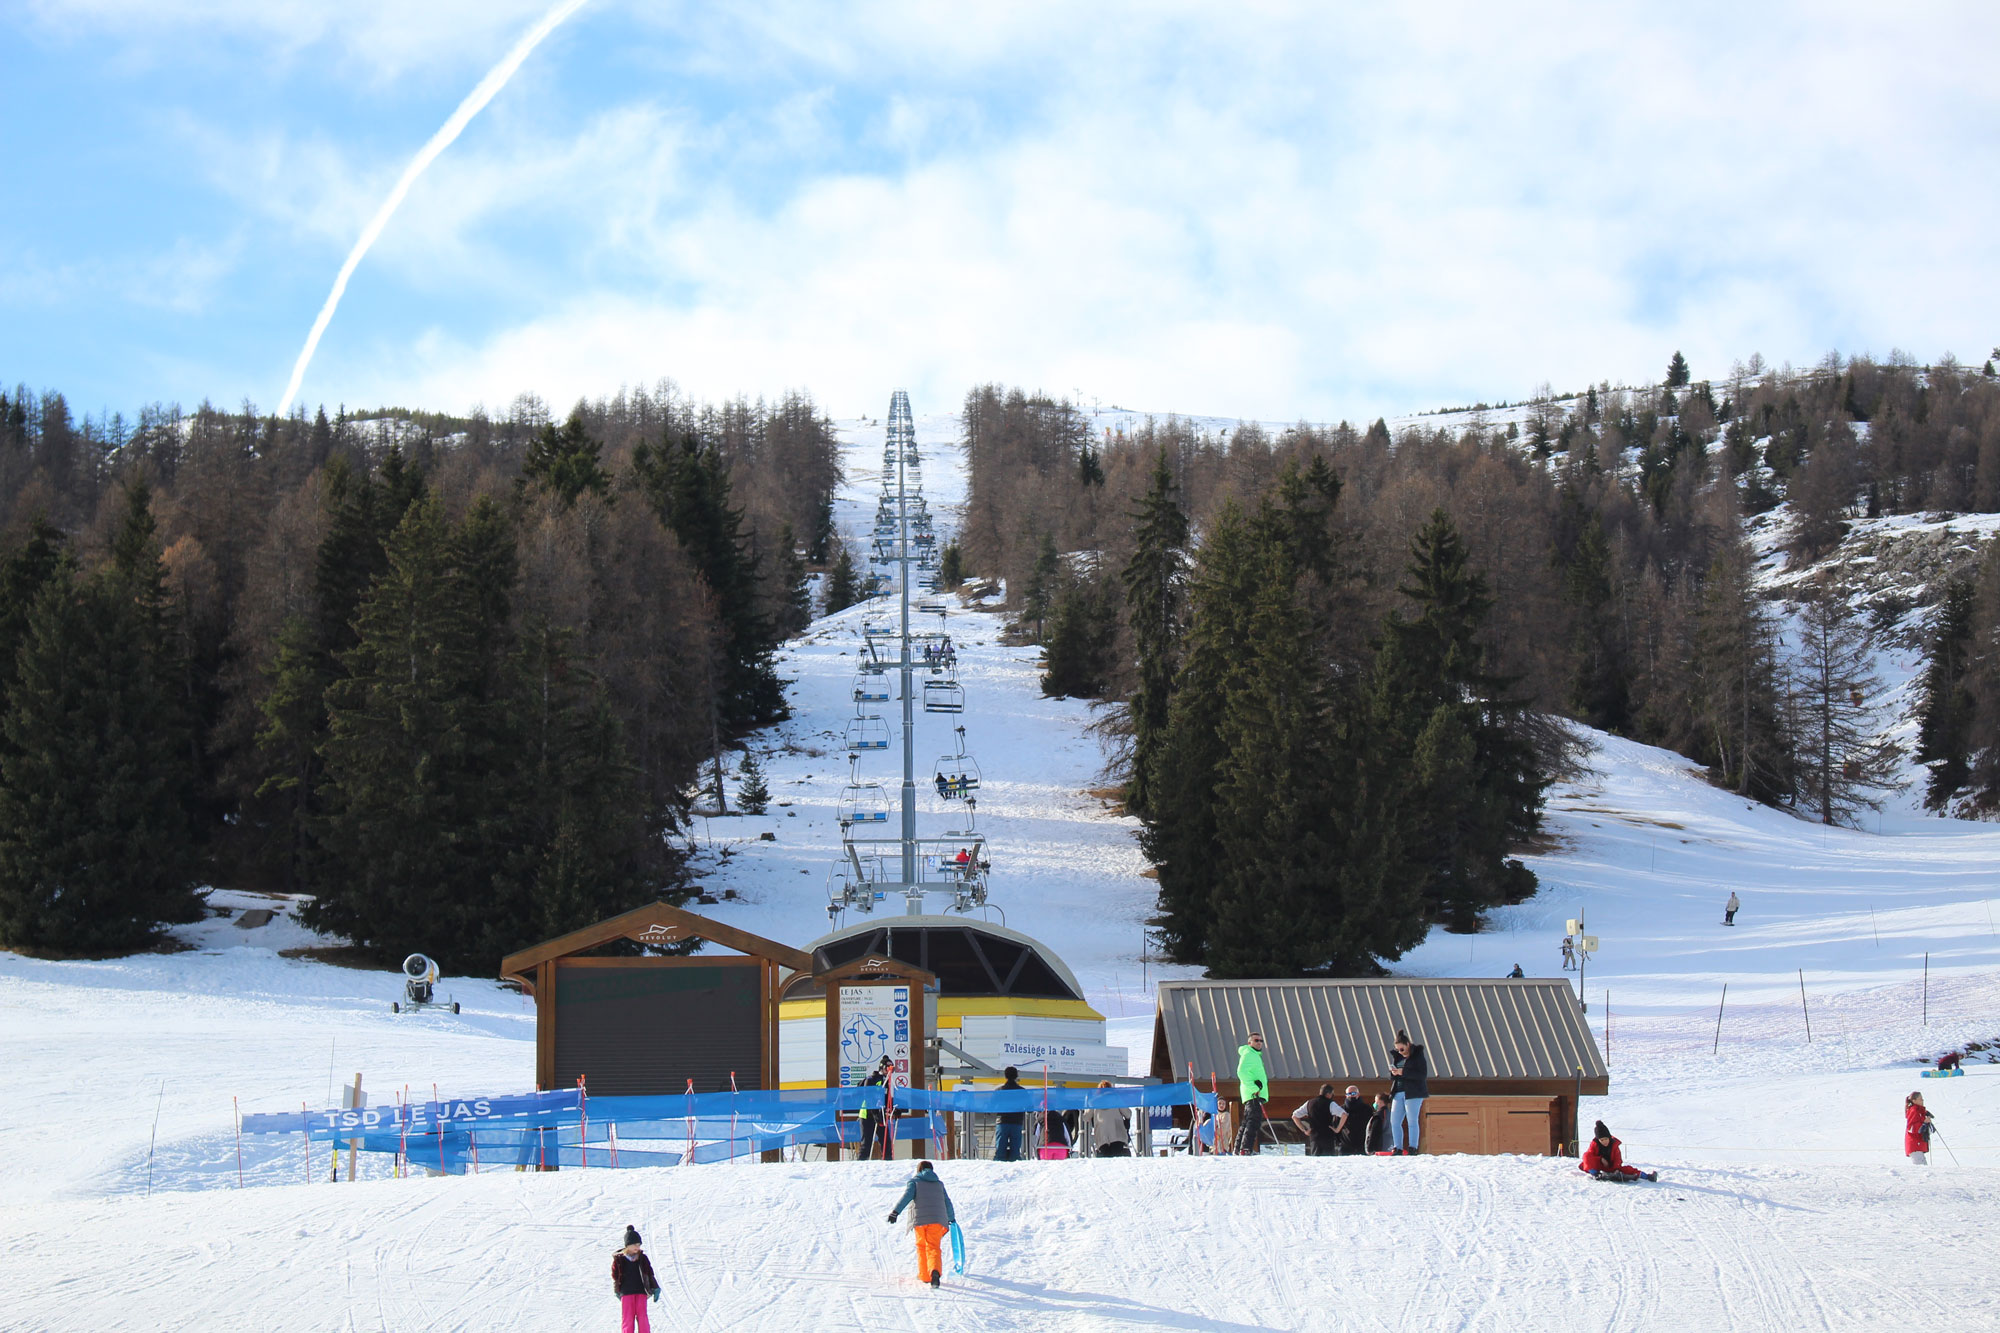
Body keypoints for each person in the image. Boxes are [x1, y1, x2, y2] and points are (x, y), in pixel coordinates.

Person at [886, 1160, 958, 1288]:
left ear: (919, 1170)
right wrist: (951, 1219)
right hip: (937, 1220)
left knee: (921, 1246)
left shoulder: (914, 1182)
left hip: (920, 1220)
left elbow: (906, 1197)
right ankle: (935, 1272)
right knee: (933, 1247)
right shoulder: (939, 1184)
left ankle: (925, 1276)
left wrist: (895, 1212)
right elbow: (947, 1202)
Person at [611, 1226, 660, 1333]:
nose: (637, 1247)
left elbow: (649, 1274)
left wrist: (655, 1287)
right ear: (627, 1245)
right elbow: (615, 1276)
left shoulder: (643, 1258)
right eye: (635, 1245)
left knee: (642, 1316)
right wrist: (617, 1290)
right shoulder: (620, 1260)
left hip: (641, 1292)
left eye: (639, 1245)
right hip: (626, 1292)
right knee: (627, 1318)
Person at [1387, 1029, 1428, 1155]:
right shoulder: (1398, 1058)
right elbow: (1396, 1076)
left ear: (1408, 1045)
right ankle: (1397, 1147)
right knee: (1394, 1121)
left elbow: (1422, 1075)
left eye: (1402, 1049)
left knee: (1412, 1120)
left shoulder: (1418, 1056)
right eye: (1398, 1050)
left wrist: (1403, 1072)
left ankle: (1412, 1147)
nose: (1400, 1052)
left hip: (1413, 1093)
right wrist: (1394, 1073)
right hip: (1398, 1091)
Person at [1579, 1120, 1656, 1181]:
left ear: (1609, 1137)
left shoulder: (1614, 1145)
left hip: (1612, 1168)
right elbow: (1589, 1156)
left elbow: (1618, 1159)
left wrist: (1615, 1169)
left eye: (1606, 1139)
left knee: (1629, 1169)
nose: (1604, 1142)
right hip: (1599, 1167)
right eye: (1601, 1140)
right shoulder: (1594, 1144)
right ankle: (1595, 1175)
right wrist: (1601, 1159)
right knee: (1586, 1155)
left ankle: (1648, 1177)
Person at [1235, 1031, 1270, 1154]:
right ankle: (1245, 1148)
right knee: (1253, 1121)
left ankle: (1239, 1148)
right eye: (1256, 1040)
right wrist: (1254, 1088)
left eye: (1261, 1041)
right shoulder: (1249, 1054)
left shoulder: (1254, 1054)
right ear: (1249, 1042)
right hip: (1253, 1094)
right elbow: (1241, 1072)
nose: (1259, 1043)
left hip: (1254, 1094)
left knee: (1248, 1120)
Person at [859, 1056, 894, 1161]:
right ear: (882, 1068)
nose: (889, 1071)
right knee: (867, 1144)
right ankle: (861, 1164)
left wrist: (892, 1109)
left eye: (891, 1069)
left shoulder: (887, 1081)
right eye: (887, 1068)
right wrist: (875, 1113)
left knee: (886, 1142)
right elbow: (868, 1097)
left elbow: (887, 1097)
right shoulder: (871, 1079)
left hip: (881, 1114)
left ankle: (889, 1163)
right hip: (867, 1115)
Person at [1292, 1082, 1340, 1156]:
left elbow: (1294, 1116)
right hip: (1328, 1136)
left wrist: (1304, 1130)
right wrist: (1337, 1129)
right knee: (1329, 1162)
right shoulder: (1331, 1103)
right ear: (1328, 1094)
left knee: (1316, 1162)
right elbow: (1344, 1114)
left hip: (1314, 1137)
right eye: (1332, 1094)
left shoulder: (1309, 1103)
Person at [1086, 1082, 1131, 1157]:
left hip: (1101, 1137)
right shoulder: (1116, 1099)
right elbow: (1128, 1113)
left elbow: (1086, 1117)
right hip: (1117, 1135)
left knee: (1106, 1163)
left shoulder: (1093, 1102)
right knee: (1117, 1161)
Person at [992, 1066, 1026, 1161]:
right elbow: (1029, 1107)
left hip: (1002, 1121)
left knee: (1000, 1150)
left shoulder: (999, 1091)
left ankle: (998, 1169)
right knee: (1015, 1151)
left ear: (1005, 1076)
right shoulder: (1022, 1091)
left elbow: (991, 1105)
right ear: (1016, 1076)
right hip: (1016, 1122)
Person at [1337, 1086, 1370, 1156]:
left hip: (1362, 1146)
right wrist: (1338, 1142)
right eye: (1349, 1094)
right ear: (1346, 1096)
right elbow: (1336, 1126)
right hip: (1345, 1147)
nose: (1351, 1095)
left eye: (1353, 1093)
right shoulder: (1341, 1110)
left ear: (1358, 1094)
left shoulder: (1367, 1109)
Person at [1905, 1092, 1935, 1165]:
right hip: (1915, 1144)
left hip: (1918, 1144)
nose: (1922, 1100)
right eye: (1920, 1099)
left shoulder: (1919, 1111)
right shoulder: (1914, 1110)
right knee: (1922, 1169)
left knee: (1923, 1167)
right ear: (1914, 1101)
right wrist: (1924, 1123)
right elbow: (1911, 1128)